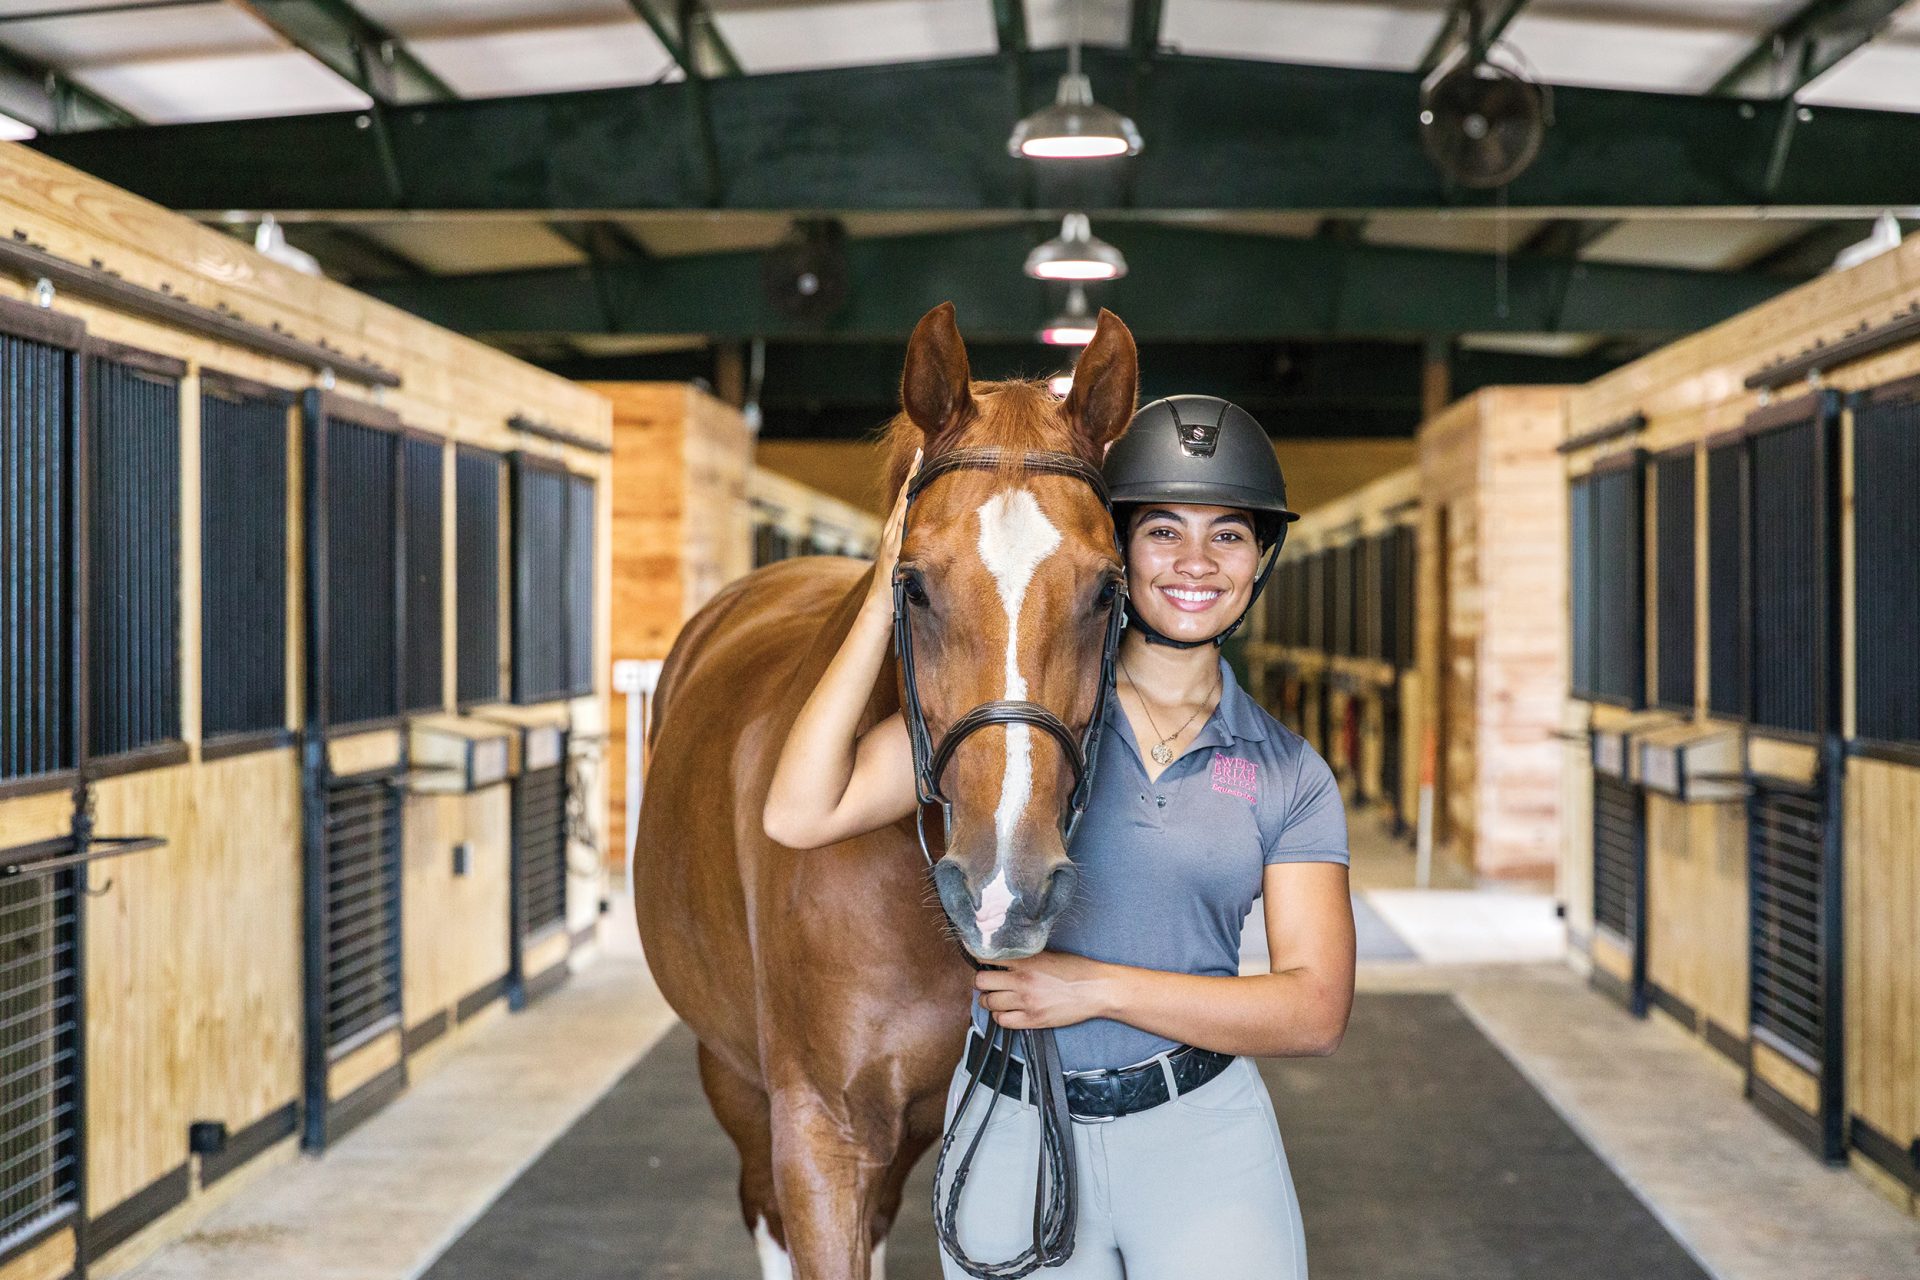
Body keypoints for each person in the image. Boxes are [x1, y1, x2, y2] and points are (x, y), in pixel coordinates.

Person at [763, 394, 1356, 1279]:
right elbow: (798, 813)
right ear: (1117, 547)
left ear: (1260, 557)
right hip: (1016, 1121)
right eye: (1163, 532)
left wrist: (1094, 987)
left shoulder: (1289, 772)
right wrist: (890, 585)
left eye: (1228, 536)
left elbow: (1314, 1010)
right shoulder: (1019, 727)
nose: (1196, 563)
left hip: (1201, 1129)